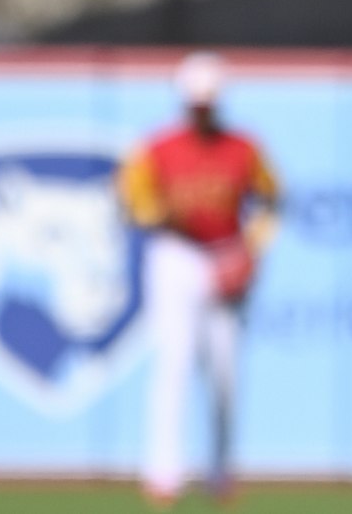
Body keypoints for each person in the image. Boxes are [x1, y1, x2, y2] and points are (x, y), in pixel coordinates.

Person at [117, 51, 281, 509]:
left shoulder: (243, 148)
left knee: (225, 374)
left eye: (207, 103)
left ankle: (220, 471)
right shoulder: (158, 147)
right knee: (173, 363)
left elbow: (271, 200)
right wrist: (158, 213)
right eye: (195, 104)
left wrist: (251, 249)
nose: (201, 111)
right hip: (177, 256)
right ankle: (163, 473)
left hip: (225, 253)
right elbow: (132, 199)